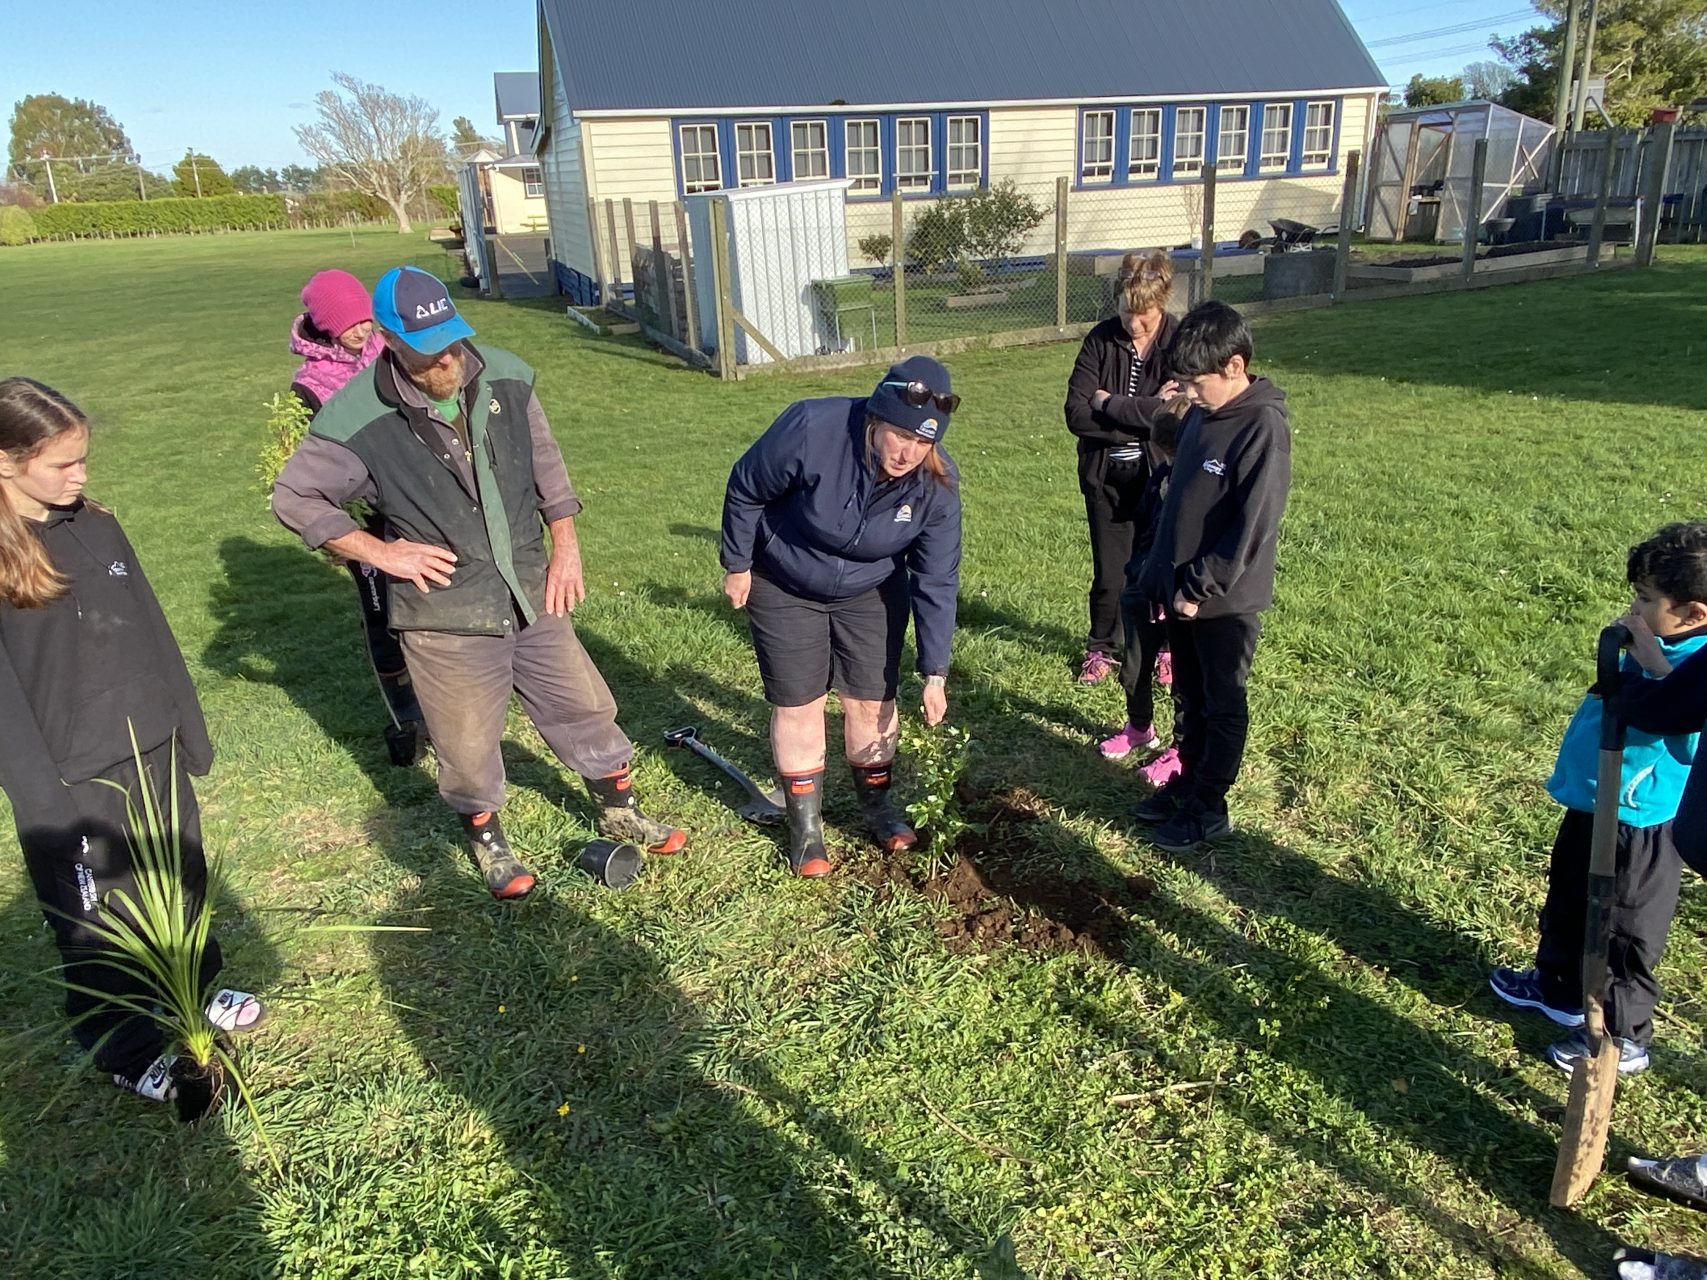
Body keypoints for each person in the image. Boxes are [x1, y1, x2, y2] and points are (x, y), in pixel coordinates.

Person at [272, 267, 685, 901]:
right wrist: (380, 552)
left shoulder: (506, 375)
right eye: (427, 347)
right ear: (388, 338)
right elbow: (296, 495)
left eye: (453, 338)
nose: (448, 359)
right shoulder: (356, 415)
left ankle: (619, 809)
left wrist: (565, 547)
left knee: (583, 703)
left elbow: (546, 461)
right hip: (444, 610)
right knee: (464, 741)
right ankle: (489, 843)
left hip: (528, 584)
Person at [0, 378, 264, 1115]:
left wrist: (189, 725)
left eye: (83, 459)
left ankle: (198, 990)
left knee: (181, 872)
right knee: (96, 919)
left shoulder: (96, 524)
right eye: (62, 465)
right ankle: (123, 1045)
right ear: (4, 461)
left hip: (152, 742)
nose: (80, 476)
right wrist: (45, 803)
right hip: (71, 773)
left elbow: (149, 624)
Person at [721, 356, 962, 878]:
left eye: (923, 443)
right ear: (877, 417)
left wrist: (935, 670)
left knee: (872, 703)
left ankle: (878, 808)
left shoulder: (935, 488)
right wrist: (737, 564)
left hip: (870, 590)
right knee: (800, 702)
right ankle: (806, 828)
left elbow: (937, 578)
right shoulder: (813, 428)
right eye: (901, 435)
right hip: (785, 579)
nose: (908, 452)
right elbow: (746, 485)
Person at [1489, 522, 1707, 1075]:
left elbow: (1682, 732)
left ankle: (1623, 1033)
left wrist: (1653, 664)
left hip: (1642, 821)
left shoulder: (1697, 665)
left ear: (1693, 614)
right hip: (1596, 802)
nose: (1634, 610)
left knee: (1626, 930)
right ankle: (1559, 985)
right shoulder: (1668, 641)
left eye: (1646, 600)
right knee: (1570, 895)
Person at [1132, 300, 1291, 852]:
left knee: (1221, 702)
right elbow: (1178, 502)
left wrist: (1202, 588)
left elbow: (1253, 526)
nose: (1189, 395)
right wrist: (1160, 578)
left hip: (1220, 601)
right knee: (1189, 698)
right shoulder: (1201, 415)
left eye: (1197, 383)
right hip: (1178, 594)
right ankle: (1186, 783)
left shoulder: (1262, 427)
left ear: (1235, 366)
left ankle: (1209, 806)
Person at [286, 269, 427, 767]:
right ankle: (401, 701)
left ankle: (440, 683)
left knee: (426, 587)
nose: (364, 331)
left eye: (367, 320)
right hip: (363, 514)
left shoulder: (386, 356)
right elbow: (309, 465)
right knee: (379, 606)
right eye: (351, 325)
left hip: (409, 501)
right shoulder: (309, 387)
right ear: (326, 326)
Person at [1064, 249, 1180, 685]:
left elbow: (1177, 413)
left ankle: (1166, 648)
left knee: (1162, 567)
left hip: (1161, 479)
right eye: (1127, 313)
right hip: (1106, 477)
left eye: (1145, 315)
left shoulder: (1178, 341)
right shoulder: (1100, 340)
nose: (1135, 324)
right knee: (1110, 573)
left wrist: (1109, 403)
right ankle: (1101, 649)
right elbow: (1076, 413)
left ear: (1162, 303)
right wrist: (1145, 418)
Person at [1103, 398, 1190, 789]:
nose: (1168, 460)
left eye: (1174, 454)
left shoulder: (1195, 490)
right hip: (1142, 589)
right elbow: (1142, 529)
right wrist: (1136, 575)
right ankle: (1139, 727)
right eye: (1164, 454)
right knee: (1134, 669)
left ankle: (1182, 750)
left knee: (1186, 681)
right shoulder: (1160, 480)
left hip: (1178, 596)